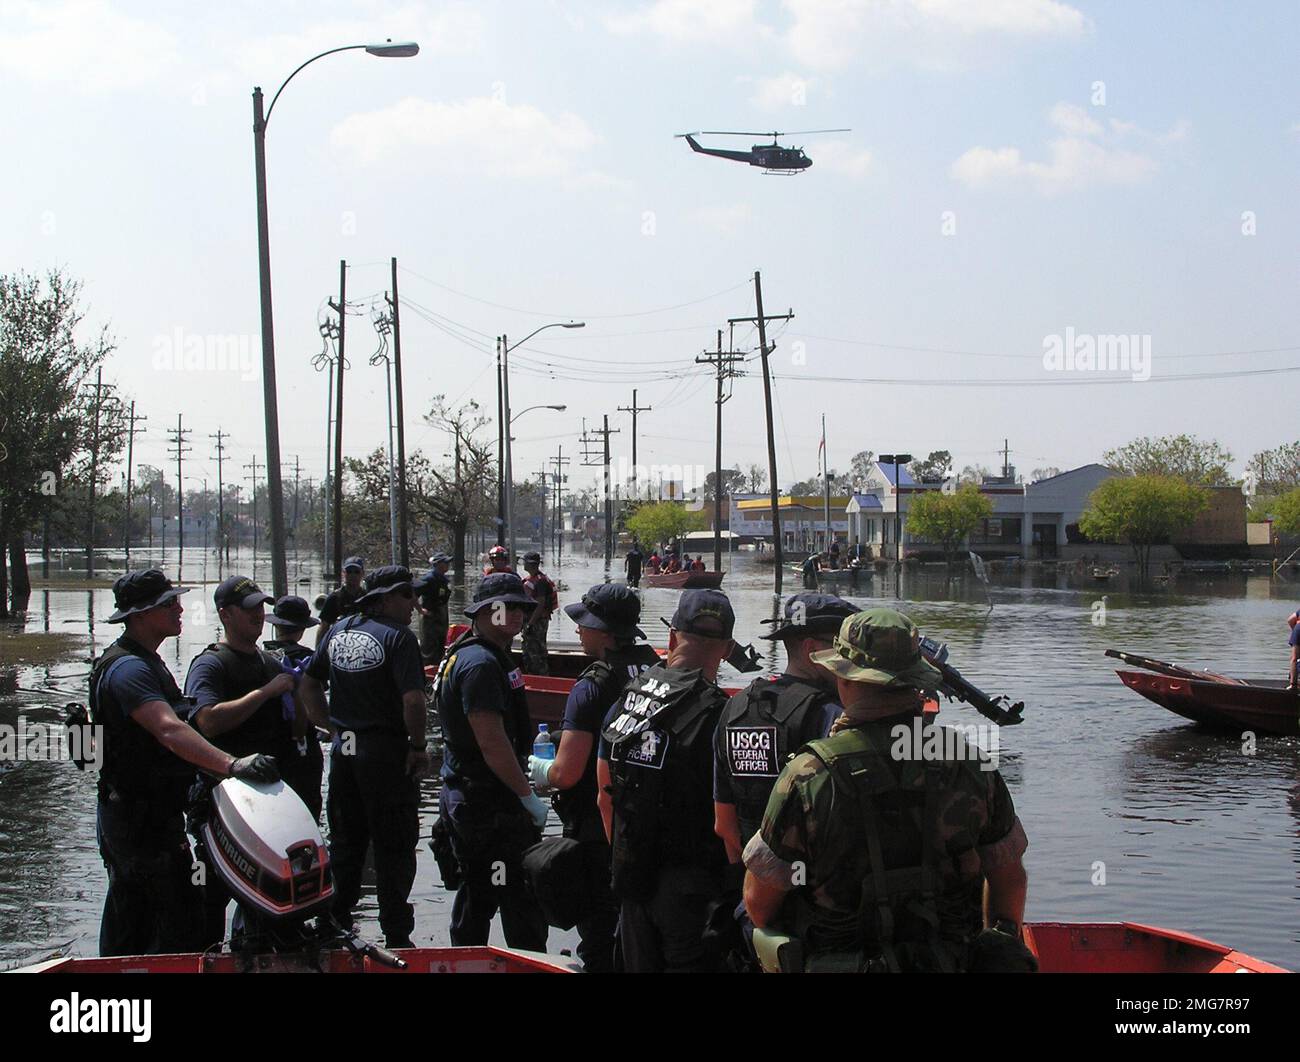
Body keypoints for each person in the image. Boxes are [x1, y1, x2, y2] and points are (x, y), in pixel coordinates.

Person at [742, 608, 1032, 973]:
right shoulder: (971, 764)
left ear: (842, 680)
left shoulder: (808, 775)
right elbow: (1009, 880)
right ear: (916, 683)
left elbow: (758, 902)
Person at [91, 569, 278, 958]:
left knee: (150, 918)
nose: (180, 609)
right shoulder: (128, 669)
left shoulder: (147, 661)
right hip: (136, 823)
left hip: (151, 816)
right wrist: (232, 764)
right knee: (162, 924)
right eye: (168, 604)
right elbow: (169, 729)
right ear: (140, 615)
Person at [597, 589, 735, 972]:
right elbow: (729, 822)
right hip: (692, 888)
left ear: (672, 637)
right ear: (725, 649)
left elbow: (604, 798)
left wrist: (627, 862)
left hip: (632, 877)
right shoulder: (723, 714)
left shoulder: (627, 699)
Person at [527, 584, 659, 972]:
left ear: (603, 631)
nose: (579, 631)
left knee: (600, 938)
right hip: (652, 824)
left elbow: (567, 774)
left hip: (597, 828)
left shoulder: (591, 685)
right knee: (641, 935)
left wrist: (537, 770)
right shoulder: (658, 670)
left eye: (584, 624)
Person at [298, 565, 429, 949]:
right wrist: (418, 747)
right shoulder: (400, 638)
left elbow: (308, 684)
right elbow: (414, 699)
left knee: (345, 841)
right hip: (384, 752)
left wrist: (330, 730)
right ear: (384, 599)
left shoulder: (338, 630)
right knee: (394, 843)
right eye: (407, 594)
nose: (413, 603)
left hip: (347, 750)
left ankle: (335, 927)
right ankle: (397, 935)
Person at [433, 572, 549, 951]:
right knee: (510, 895)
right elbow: (491, 741)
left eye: (522, 607)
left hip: (474, 795)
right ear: (484, 611)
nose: (517, 614)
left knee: (479, 894)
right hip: (487, 804)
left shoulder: (483, 654)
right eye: (507, 606)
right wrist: (526, 796)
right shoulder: (480, 663)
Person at [185, 576, 304, 944]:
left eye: (260, 607)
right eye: (249, 608)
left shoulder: (271, 663)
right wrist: (266, 692)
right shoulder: (210, 665)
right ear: (225, 614)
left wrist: (297, 690)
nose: (258, 615)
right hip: (222, 804)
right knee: (209, 902)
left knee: (269, 906)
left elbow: (299, 730)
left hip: (268, 806)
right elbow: (208, 721)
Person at [714, 592, 856, 861]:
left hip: (748, 883)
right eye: (843, 648)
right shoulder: (833, 716)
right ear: (812, 650)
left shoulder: (734, 708)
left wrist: (751, 888)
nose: (852, 659)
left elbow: (724, 825)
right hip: (813, 891)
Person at [262, 594, 325, 821]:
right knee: (306, 810)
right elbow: (317, 702)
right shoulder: (309, 660)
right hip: (302, 746)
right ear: (302, 629)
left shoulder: (260, 656)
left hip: (267, 743)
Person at [519, 551, 557, 676]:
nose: (523, 564)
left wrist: (530, 624)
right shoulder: (534, 579)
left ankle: (541, 679)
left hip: (536, 622)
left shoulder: (540, 581)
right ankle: (532, 675)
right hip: (531, 621)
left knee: (536, 653)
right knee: (528, 651)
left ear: (530, 564)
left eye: (524, 561)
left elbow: (540, 604)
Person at [316, 556, 366, 647]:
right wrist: (318, 651)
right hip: (339, 643)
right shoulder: (334, 598)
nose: (353, 575)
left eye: (356, 572)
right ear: (343, 573)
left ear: (362, 574)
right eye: (349, 572)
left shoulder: (367, 597)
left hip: (362, 643)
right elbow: (324, 626)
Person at [417, 552, 453, 666]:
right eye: (445, 562)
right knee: (429, 649)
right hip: (430, 619)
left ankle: (437, 669)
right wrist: (420, 610)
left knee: (440, 646)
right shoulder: (428, 579)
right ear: (438, 564)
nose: (448, 565)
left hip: (441, 616)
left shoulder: (443, 579)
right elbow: (411, 593)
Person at [1287, 608, 1299, 690]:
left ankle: (1293, 685)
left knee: (1294, 658)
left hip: (1298, 628)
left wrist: (1294, 631)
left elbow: (1290, 620)